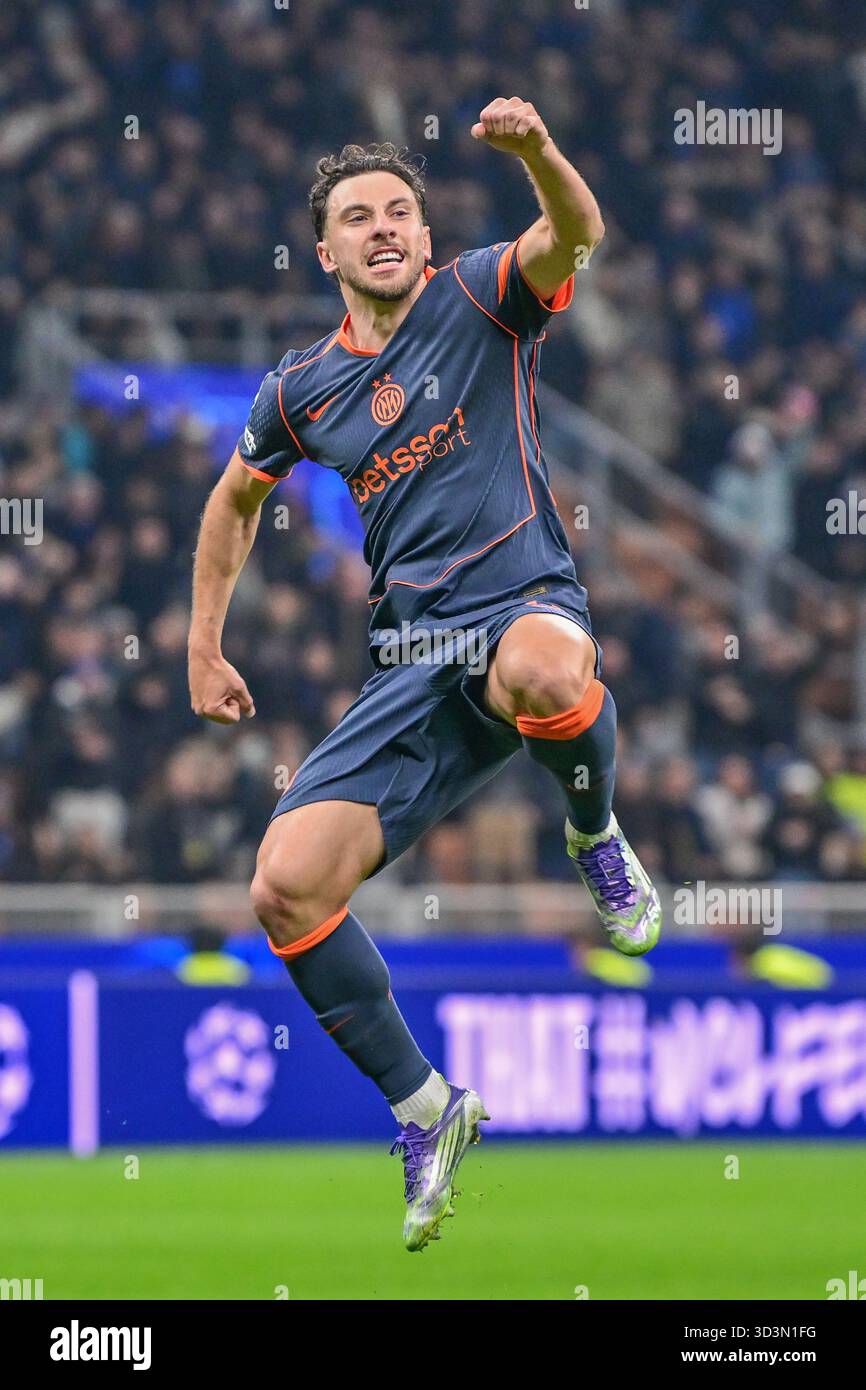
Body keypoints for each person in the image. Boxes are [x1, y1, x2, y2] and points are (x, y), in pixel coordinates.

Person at [187, 98, 662, 1252]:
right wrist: (203, 642)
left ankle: (593, 834)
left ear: (425, 230)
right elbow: (234, 500)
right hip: (413, 661)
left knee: (549, 667)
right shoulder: (300, 390)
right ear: (328, 251)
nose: (385, 227)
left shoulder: (479, 294)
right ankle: (424, 1108)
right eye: (360, 216)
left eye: (400, 209)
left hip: (520, 608)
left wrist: (540, 153)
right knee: (284, 886)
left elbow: (577, 237)